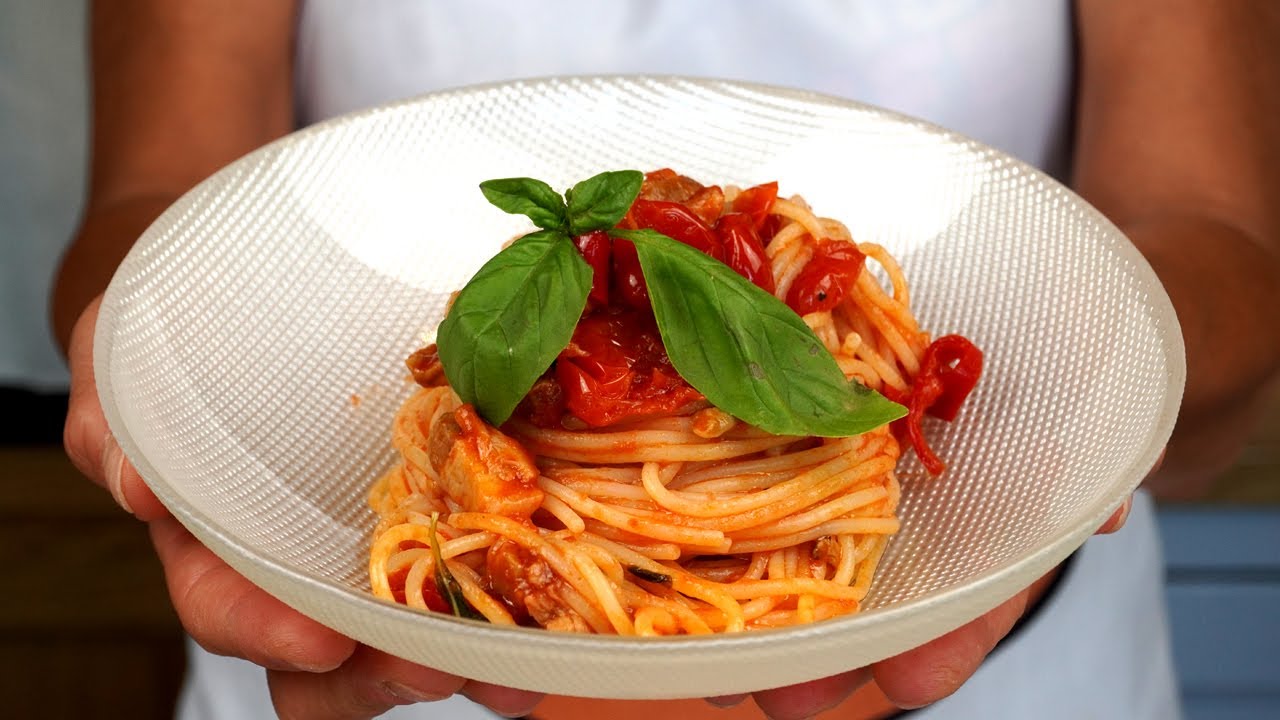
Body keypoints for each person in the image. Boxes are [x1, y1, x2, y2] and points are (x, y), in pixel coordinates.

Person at [53, 1, 1280, 718]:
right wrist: (151, 329)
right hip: (416, 660)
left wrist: (1094, 355)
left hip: (999, 656)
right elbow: (155, 194)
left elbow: (1210, 226)